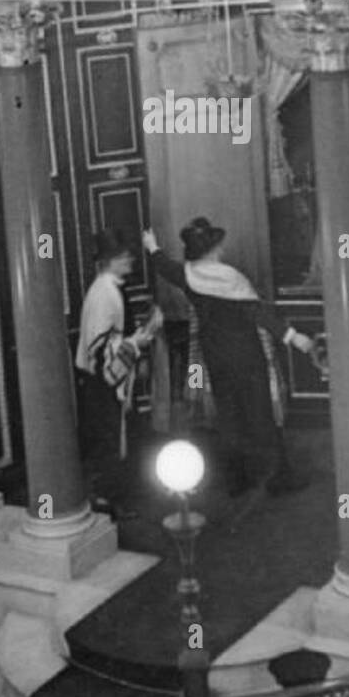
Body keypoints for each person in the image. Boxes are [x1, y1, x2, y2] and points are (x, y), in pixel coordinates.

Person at [143, 217, 314, 513]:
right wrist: (294, 337)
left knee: (229, 416)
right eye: (218, 246)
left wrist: (152, 246)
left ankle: (237, 479)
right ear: (212, 249)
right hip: (247, 355)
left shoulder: (187, 275)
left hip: (213, 357)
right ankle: (278, 477)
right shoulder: (231, 278)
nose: (222, 250)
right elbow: (257, 313)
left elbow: (163, 266)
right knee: (261, 413)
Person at [75, 229, 154, 519]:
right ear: (109, 261)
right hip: (102, 382)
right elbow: (101, 350)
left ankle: (112, 496)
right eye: (124, 256)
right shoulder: (104, 294)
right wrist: (140, 340)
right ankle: (106, 500)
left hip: (105, 379)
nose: (131, 259)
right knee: (109, 440)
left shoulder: (111, 288)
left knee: (114, 438)